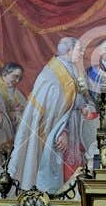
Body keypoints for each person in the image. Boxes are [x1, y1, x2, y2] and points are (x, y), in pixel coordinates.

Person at [8, 37, 90, 192]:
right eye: (79, 49)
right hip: (53, 133)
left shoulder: (70, 68)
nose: (82, 53)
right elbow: (52, 113)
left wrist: (84, 105)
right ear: (68, 51)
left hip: (69, 129)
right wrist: (61, 131)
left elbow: (72, 101)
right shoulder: (52, 76)